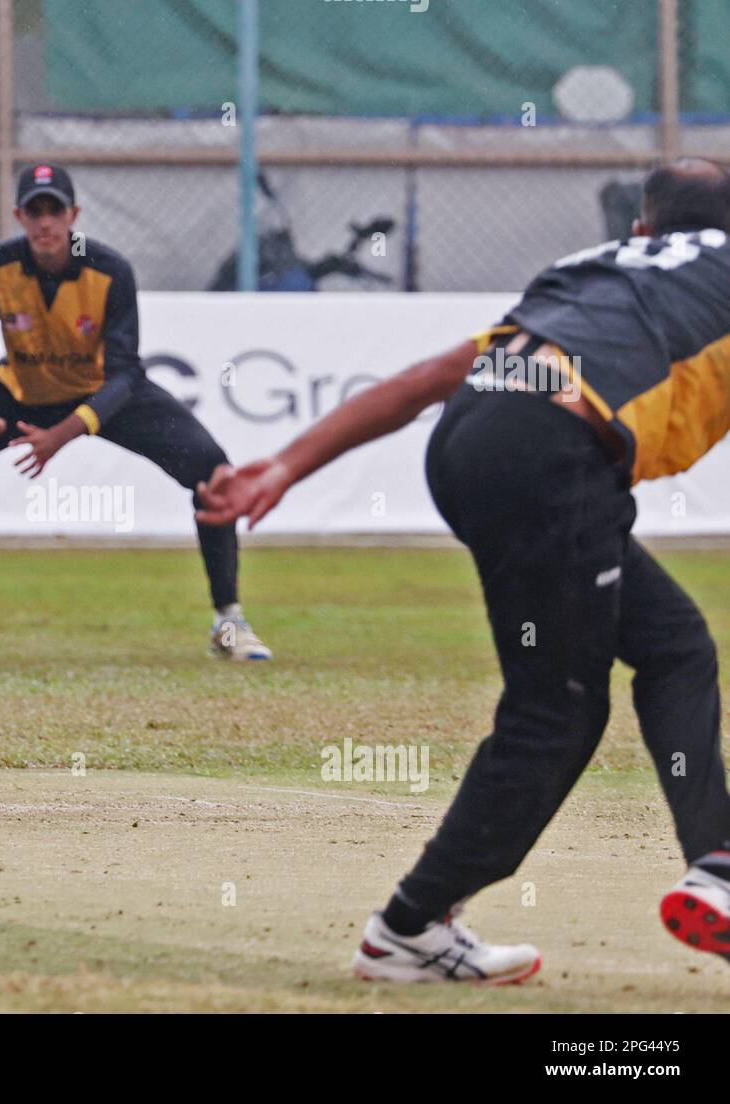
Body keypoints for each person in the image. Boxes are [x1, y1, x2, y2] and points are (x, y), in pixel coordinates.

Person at [198, 158, 730, 981]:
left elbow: (426, 382)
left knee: (673, 645)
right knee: (555, 712)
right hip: (550, 455)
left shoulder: (595, 272)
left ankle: (715, 865)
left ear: (642, 231)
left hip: (477, 439)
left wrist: (287, 465)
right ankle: (406, 929)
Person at [0, 164, 272, 661]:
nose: (46, 222)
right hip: (19, 393)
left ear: (74, 214)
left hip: (103, 398)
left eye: (56, 209)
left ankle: (229, 623)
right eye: (35, 210)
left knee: (213, 470)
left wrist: (63, 434)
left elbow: (124, 373)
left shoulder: (109, 269)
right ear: (18, 216)